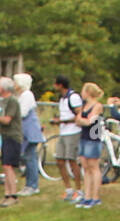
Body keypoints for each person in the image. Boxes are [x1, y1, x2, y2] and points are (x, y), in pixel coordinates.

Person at [51, 75, 83, 203]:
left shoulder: (73, 97)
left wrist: (62, 121)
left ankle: (79, 189)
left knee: (72, 160)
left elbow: (79, 115)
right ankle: (68, 189)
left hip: (73, 131)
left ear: (60, 85)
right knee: (59, 160)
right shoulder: (62, 99)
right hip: (63, 132)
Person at [74, 82, 105, 209]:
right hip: (84, 137)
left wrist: (83, 121)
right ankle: (87, 196)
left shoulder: (97, 106)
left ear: (88, 92)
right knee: (85, 166)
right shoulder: (84, 106)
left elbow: (89, 121)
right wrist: (82, 121)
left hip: (94, 137)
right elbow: (79, 120)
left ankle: (95, 197)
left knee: (93, 166)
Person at [0, 77, 22, 206]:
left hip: (13, 137)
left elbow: (7, 120)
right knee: (5, 165)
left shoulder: (12, 101)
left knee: (9, 166)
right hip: (5, 136)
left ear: (3, 88)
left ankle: (13, 195)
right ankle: (6, 194)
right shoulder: (2, 101)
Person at [14, 73, 42, 195]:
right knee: (27, 157)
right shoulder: (21, 96)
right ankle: (28, 184)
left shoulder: (27, 95)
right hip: (23, 130)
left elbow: (22, 112)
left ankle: (33, 185)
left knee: (30, 158)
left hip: (30, 131)